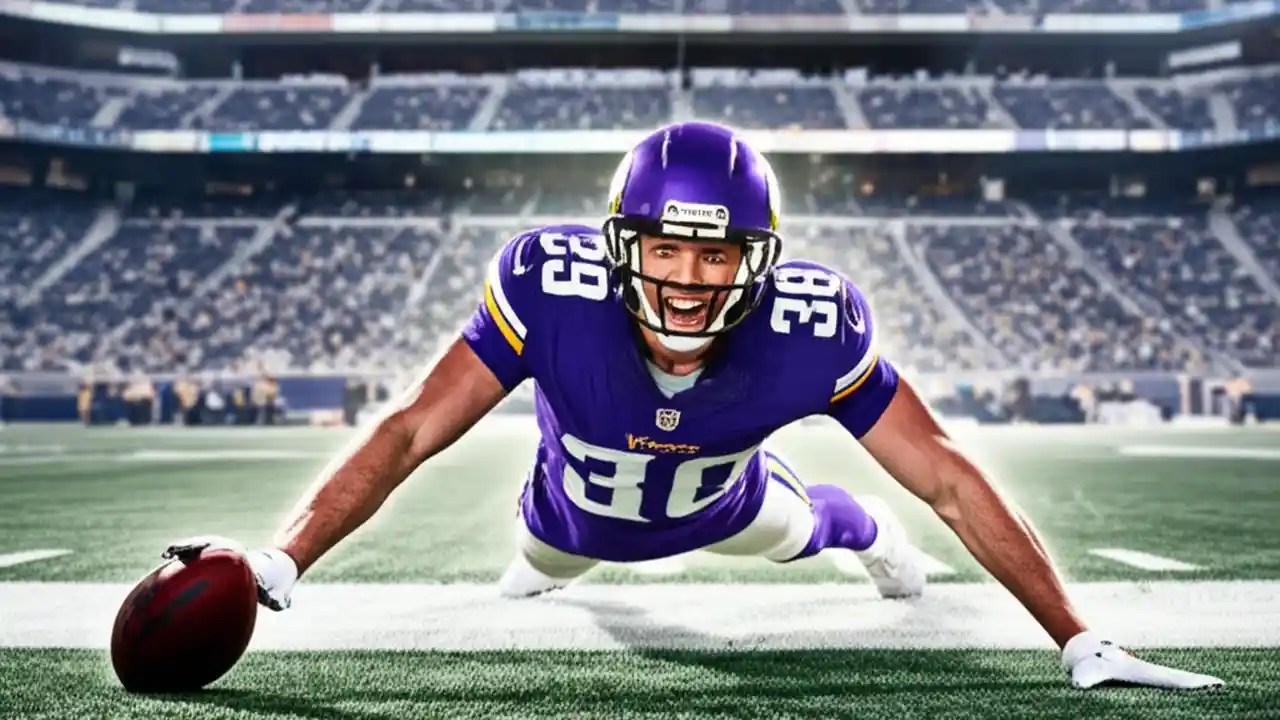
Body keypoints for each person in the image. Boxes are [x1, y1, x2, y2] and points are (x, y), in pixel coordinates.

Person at [169, 121, 1220, 690]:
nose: (684, 278)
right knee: (532, 573)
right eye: (663, 247)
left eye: (714, 251)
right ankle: (543, 570)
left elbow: (945, 468)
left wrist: (1076, 637)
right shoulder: (549, 285)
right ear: (619, 247)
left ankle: (869, 543)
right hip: (563, 520)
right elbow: (408, 429)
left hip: (726, 505)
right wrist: (283, 557)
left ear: (756, 259)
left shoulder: (811, 323)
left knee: (819, 523)